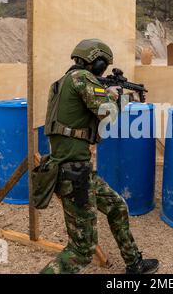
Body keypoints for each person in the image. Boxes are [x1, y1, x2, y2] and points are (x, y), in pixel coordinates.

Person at [40, 39, 159, 274]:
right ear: (96, 60)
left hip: (78, 169)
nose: (103, 70)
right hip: (72, 173)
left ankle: (134, 264)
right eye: (103, 65)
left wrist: (113, 93)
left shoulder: (63, 82)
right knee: (82, 250)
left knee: (117, 207)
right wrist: (117, 96)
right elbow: (107, 113)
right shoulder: (82, 79)